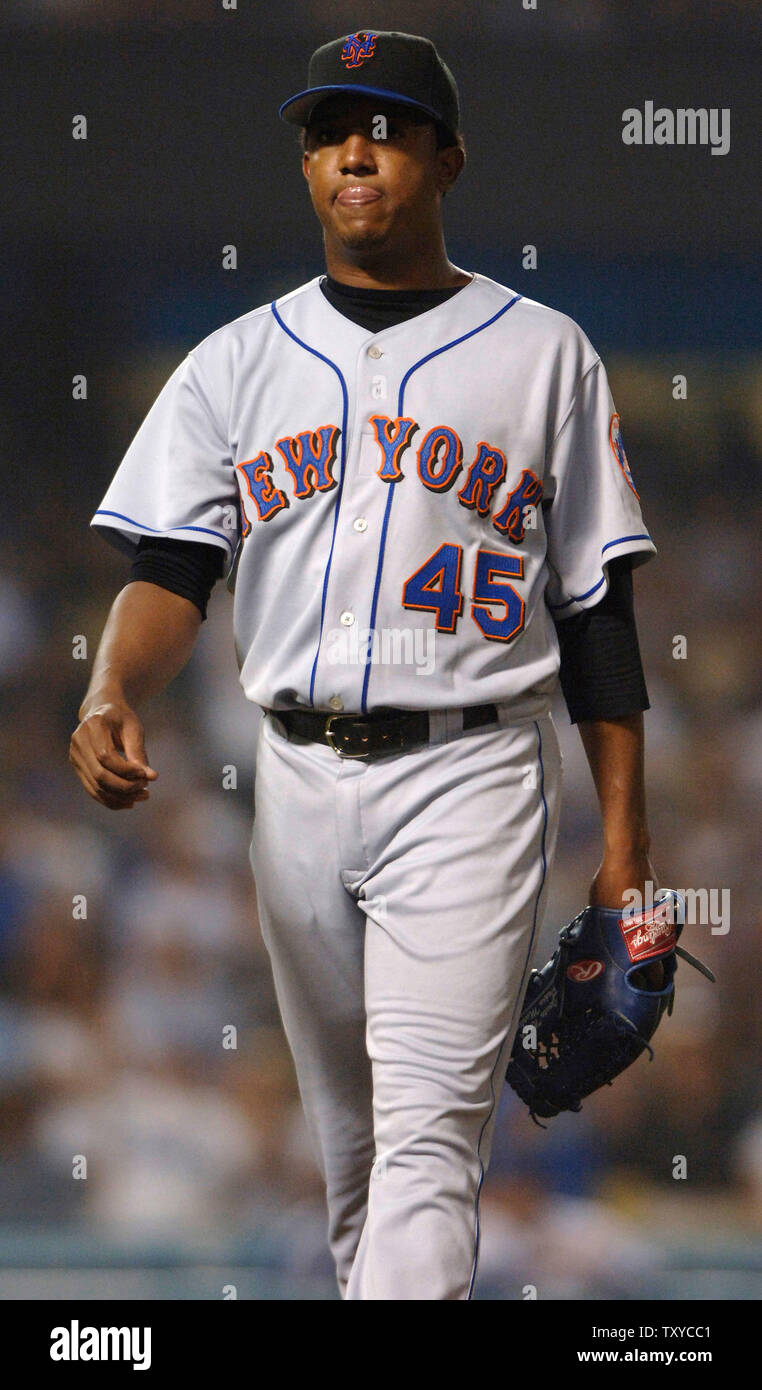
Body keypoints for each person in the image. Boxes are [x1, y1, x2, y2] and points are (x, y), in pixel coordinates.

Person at [70, 30, 661, 1300]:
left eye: (387, 129)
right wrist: (111, 687)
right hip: (294, 780)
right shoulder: (234, 362)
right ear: (305, 164)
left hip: (472, 769)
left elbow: (600, 613)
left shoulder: (542, 350)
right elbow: (172, 573)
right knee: (358, 1169)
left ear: (448, 158)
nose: (355, 153)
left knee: (430, 1153)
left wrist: (626, 859)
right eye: (332, 131)